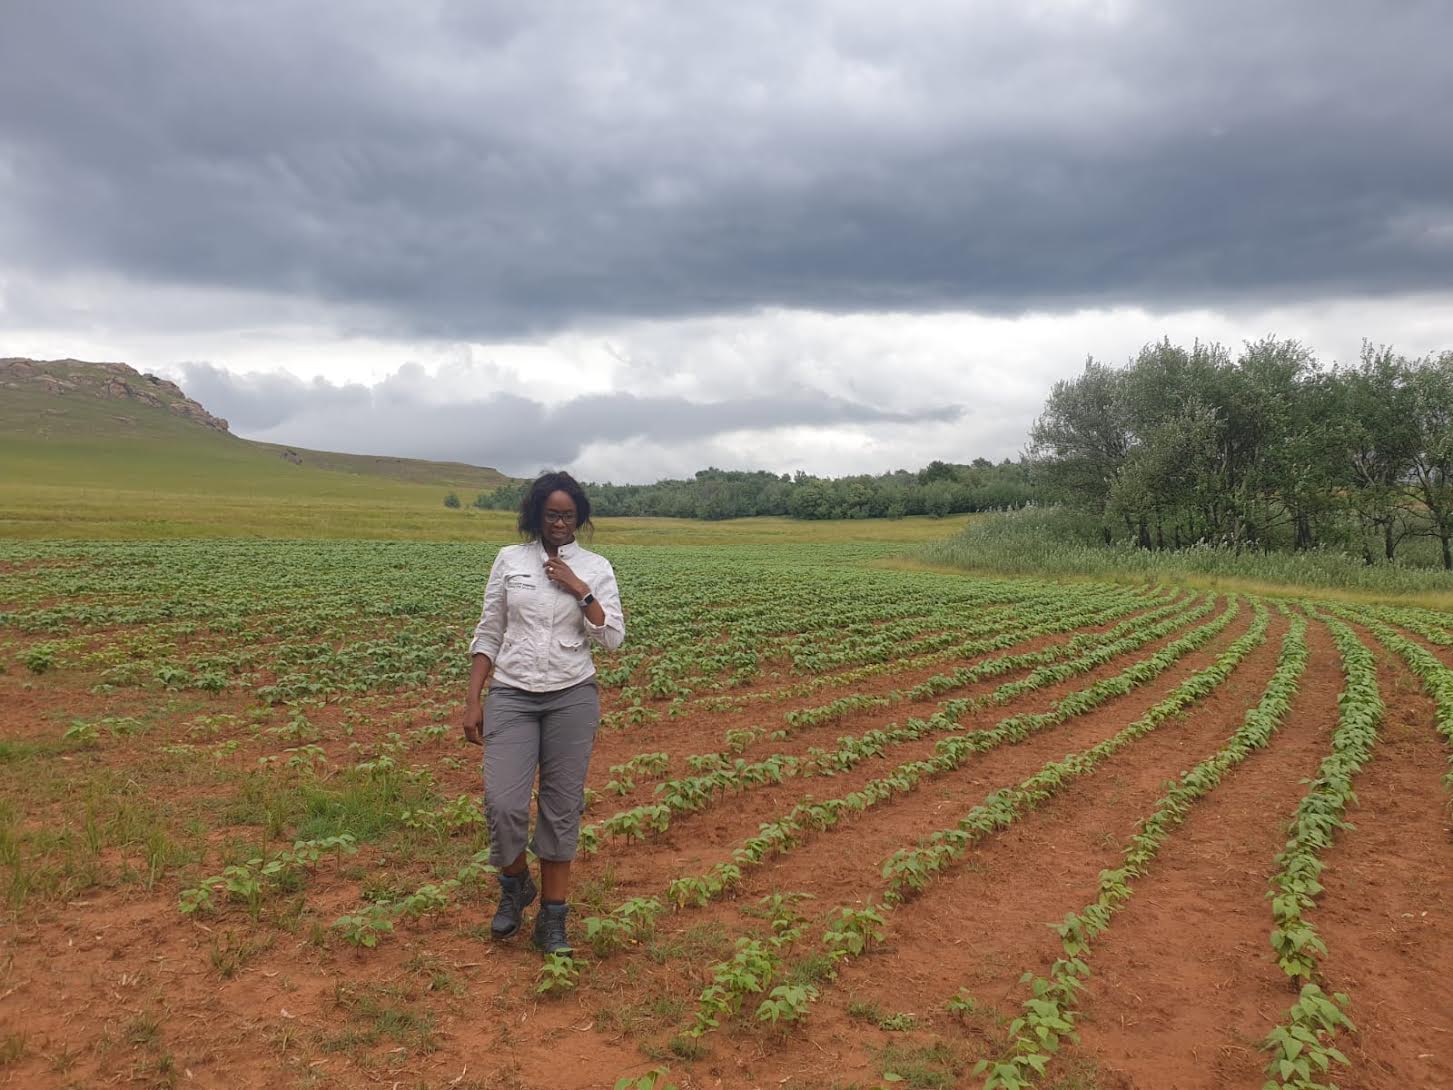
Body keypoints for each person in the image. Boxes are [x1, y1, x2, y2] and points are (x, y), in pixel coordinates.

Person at [461, 471, 625, 955]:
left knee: (560, 808)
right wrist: (474, 698)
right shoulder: (510, 561)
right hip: (512, 692)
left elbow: (612, 637)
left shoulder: (595, 567)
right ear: (537, 514)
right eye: (551, 514)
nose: (559, 522)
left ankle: (553, 919)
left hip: (571, 696)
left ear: (580, 519)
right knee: (503, 803)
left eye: (568, 515)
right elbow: (489, 630)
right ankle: (515, 883)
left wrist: (580, 588)